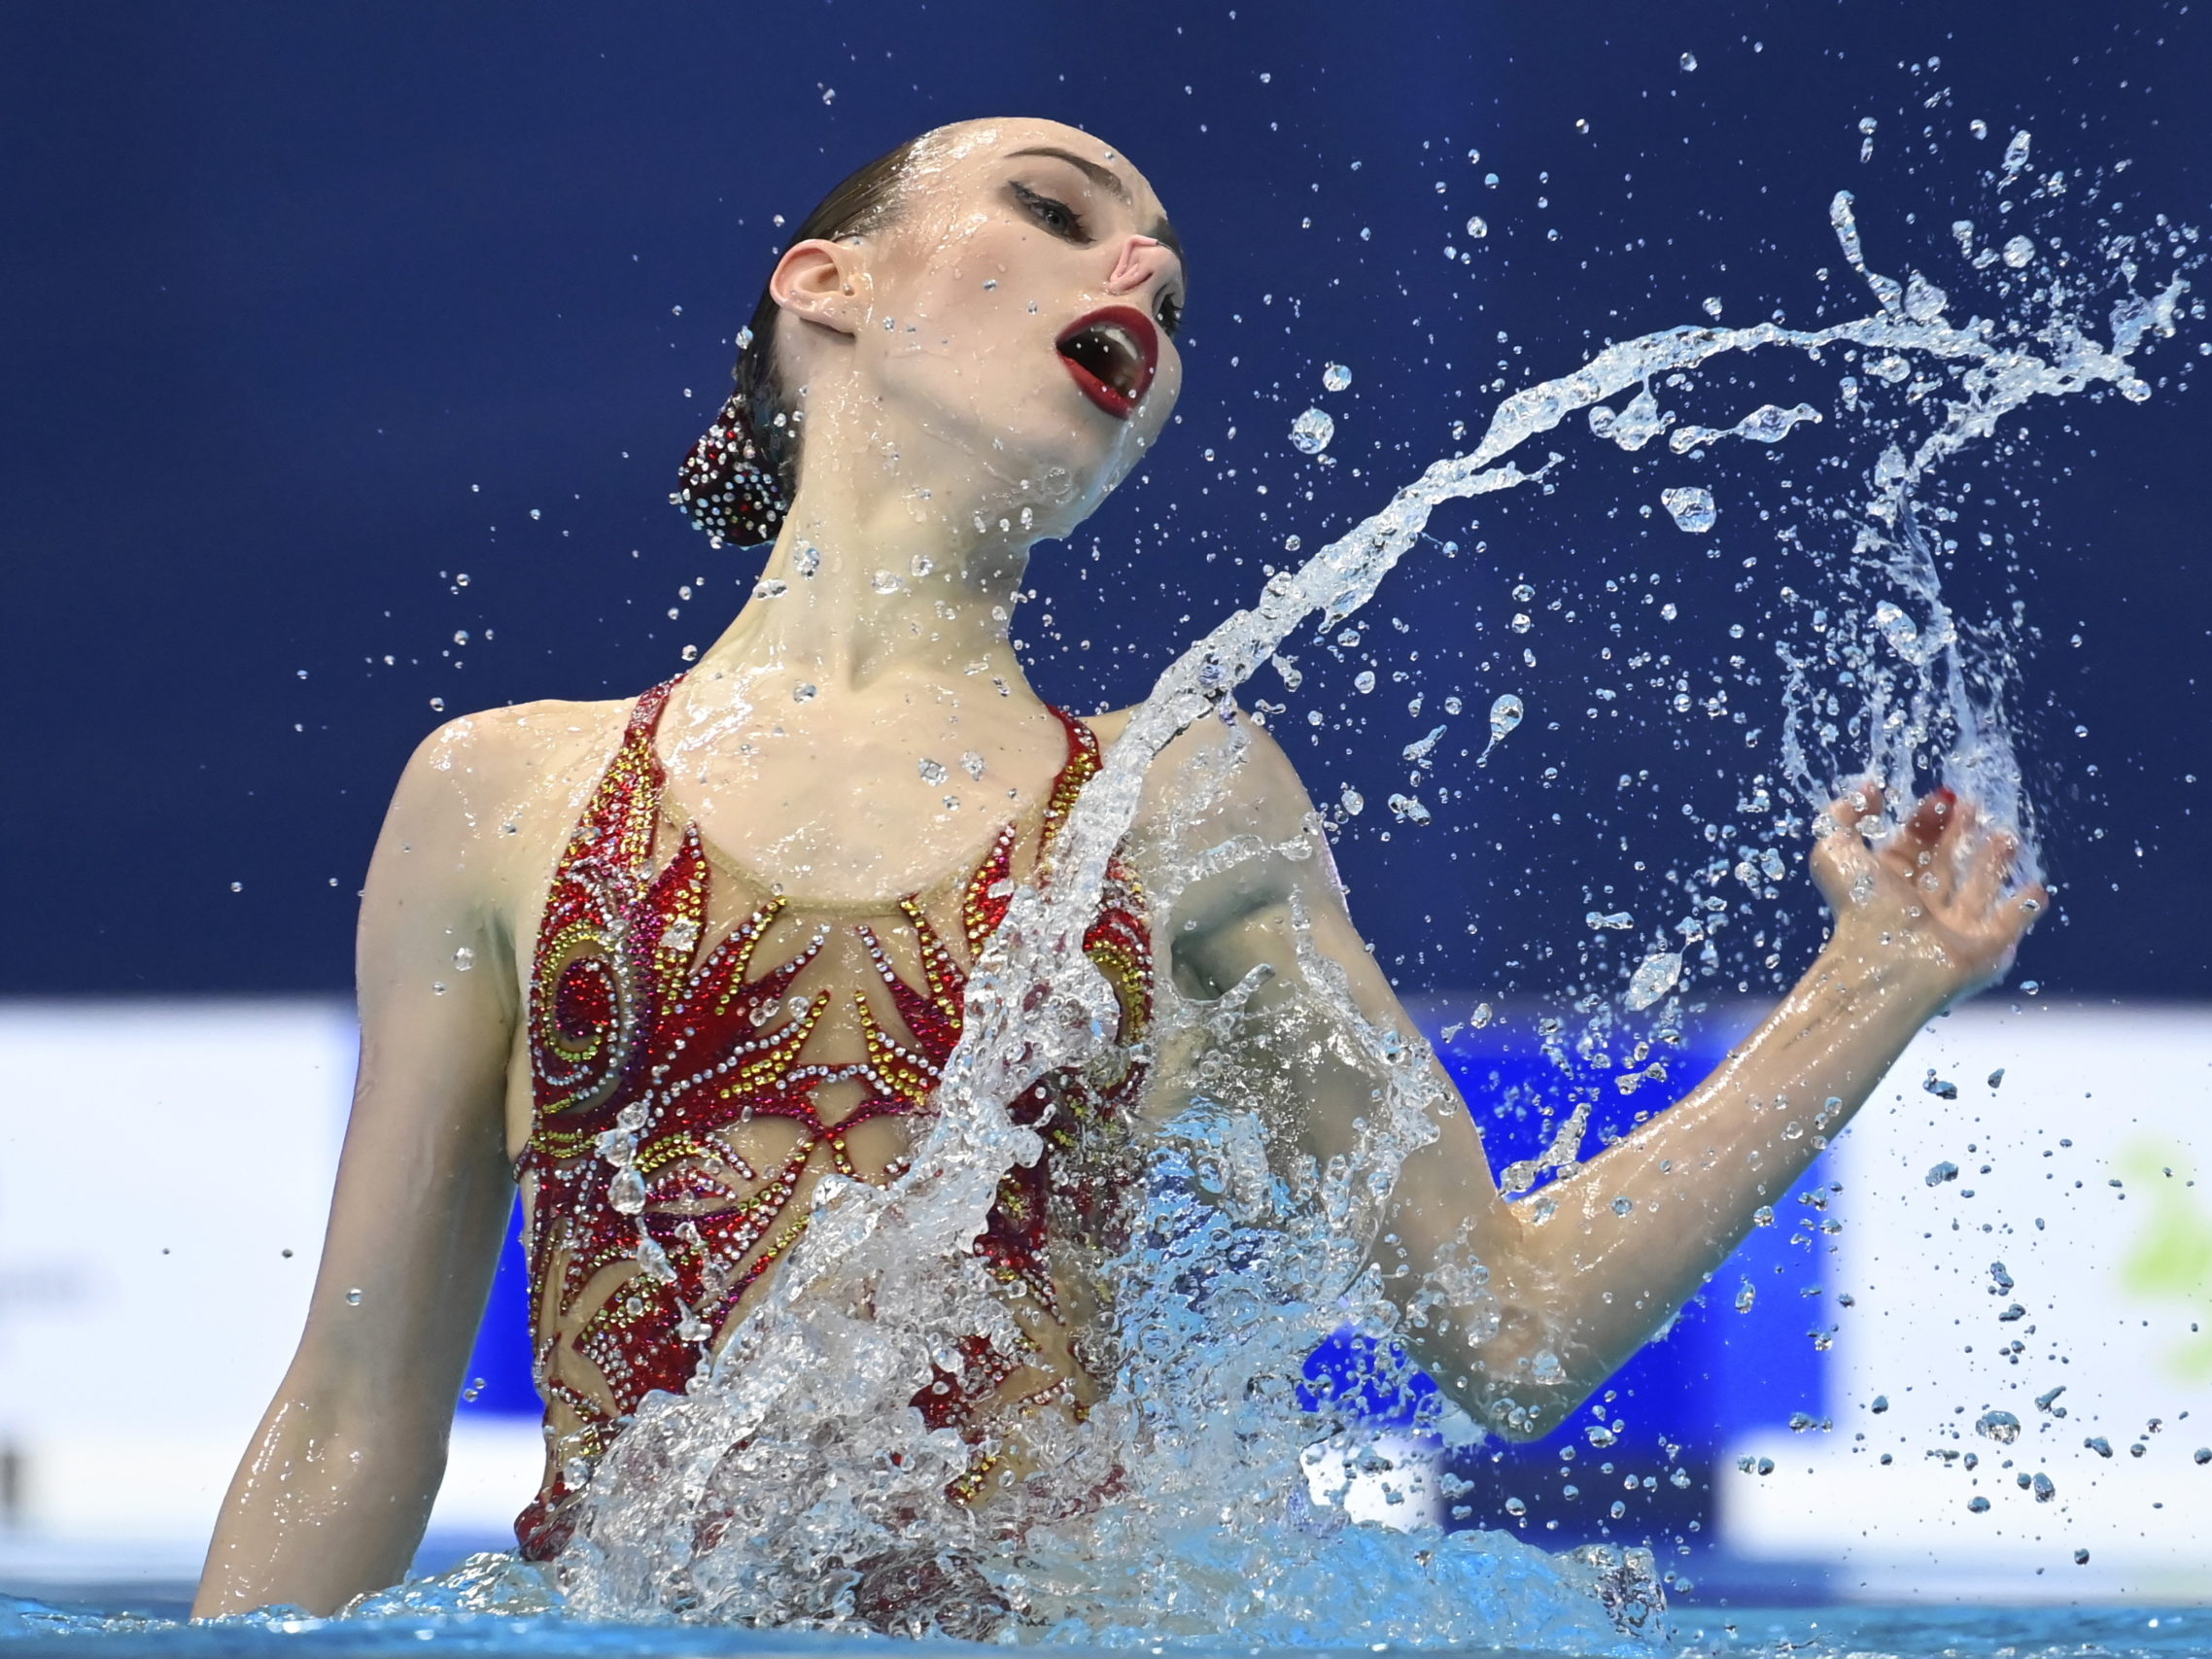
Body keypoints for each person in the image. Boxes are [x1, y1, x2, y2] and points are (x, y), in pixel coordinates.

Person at [193, 117, 2042, 1620]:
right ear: (828, 285)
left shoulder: (1183, 807)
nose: (1141, 269)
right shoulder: (506, 794)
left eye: (1167, 273)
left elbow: (1507, 1330)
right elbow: (355, 1410)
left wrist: (1873, 981)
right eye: (1058, 212)